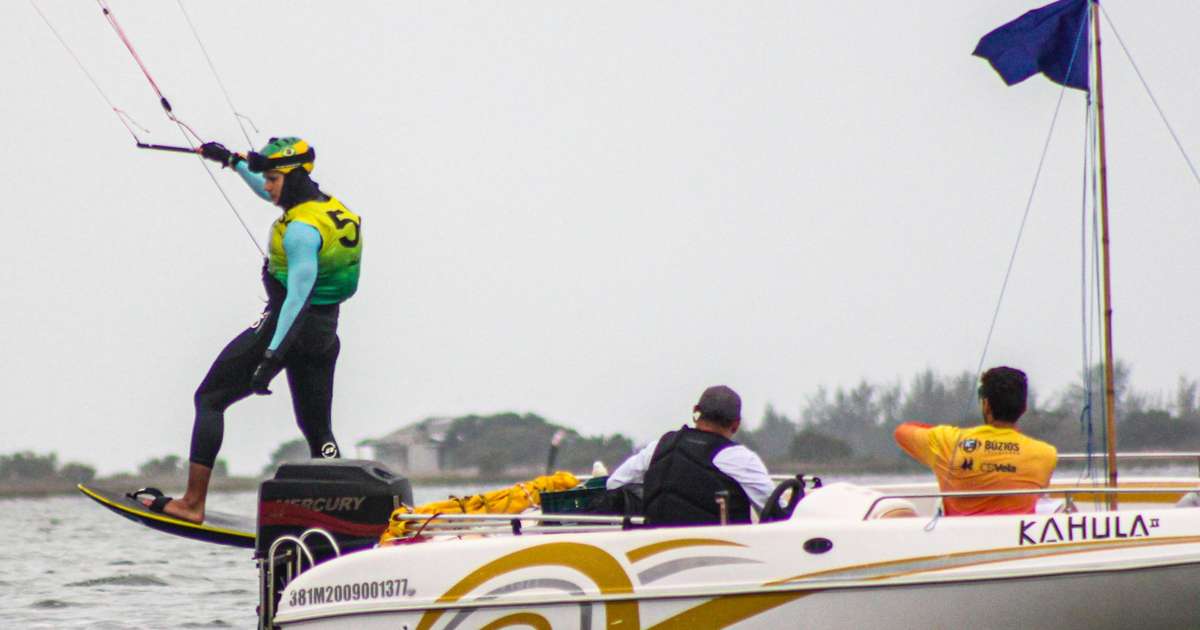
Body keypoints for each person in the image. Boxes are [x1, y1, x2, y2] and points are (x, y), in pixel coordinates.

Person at [139, 137, 363, 524]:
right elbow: (268, 188)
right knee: (317, 428)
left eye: (274, 179)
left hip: (286, 325)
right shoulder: (327, 207)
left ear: (292, 177)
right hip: (324, 335)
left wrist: (271, 356)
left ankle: (192, 503)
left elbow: (297, 297)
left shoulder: (300, 232)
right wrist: (230, 161)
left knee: (209, 399)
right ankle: (344, 511)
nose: (268, 187)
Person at [893, 366, 1057, 516]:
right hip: (1014, 541)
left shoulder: (948, 440)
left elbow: (902, 432)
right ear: (1024, 407)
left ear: (985, 405)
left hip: (961, 540)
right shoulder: (1046, 454)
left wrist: (943, 432)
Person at [606, 385, 774, 526]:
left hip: (656, 551)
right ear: (736, 424)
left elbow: (615, 483)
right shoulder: (741, 459)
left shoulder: (659, 446)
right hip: (721, 553)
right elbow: (777, 513)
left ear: (696, 412)